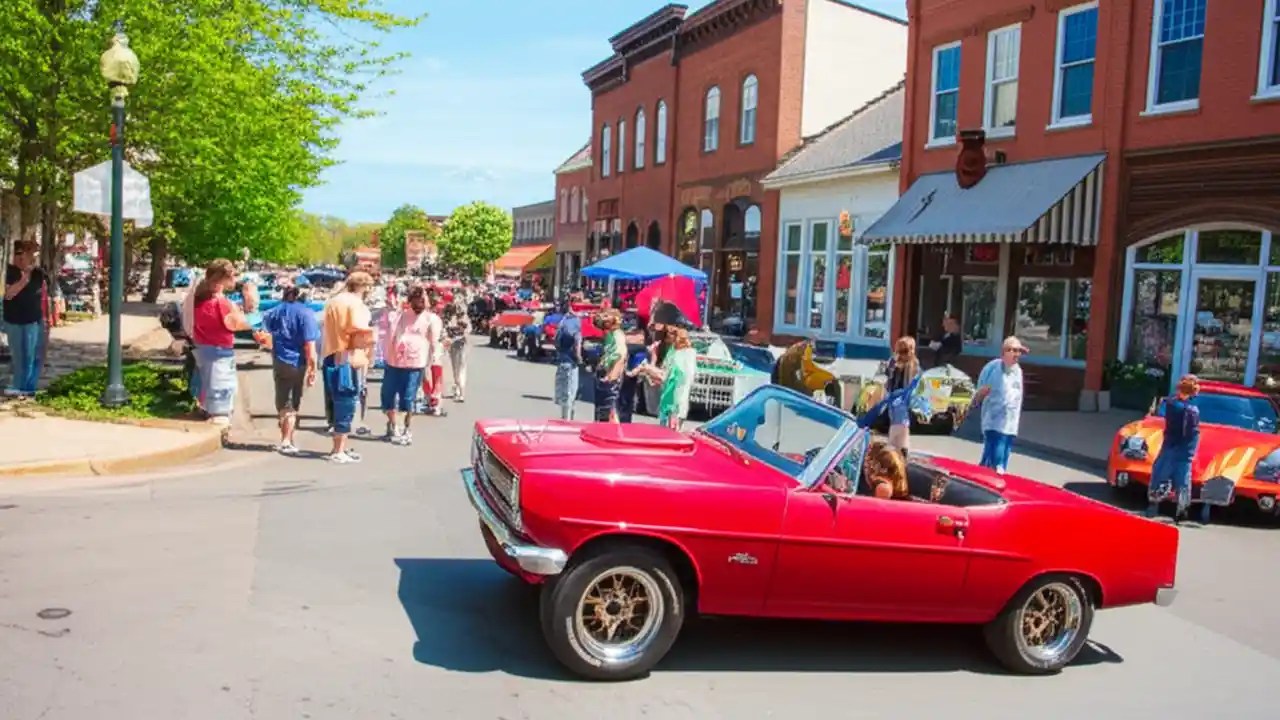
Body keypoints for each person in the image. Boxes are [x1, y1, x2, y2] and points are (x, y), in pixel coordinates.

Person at [320, 271, 376, 463]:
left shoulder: (333, 302)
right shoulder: (355, 304)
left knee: (336, 402)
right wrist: (371, 339)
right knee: (347, 401)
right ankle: (338, 450)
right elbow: (358, 329)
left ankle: (340, 447)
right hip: (347, 355)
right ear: (363, 286)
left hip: (330, 354)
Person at [190, 259, 251, 425]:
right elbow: (239, 324)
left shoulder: (200, 299)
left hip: (202, 348)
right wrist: (247, 304)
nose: (235, 278)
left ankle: (206, 409)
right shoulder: (220, 303)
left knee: (206, 386)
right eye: (233, 275)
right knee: (222, 392)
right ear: (224, 278)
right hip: (219, 352)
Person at [259, 285, 320, 454]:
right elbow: (310, 345)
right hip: (298, 361)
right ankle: (287, 439)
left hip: (280, 359)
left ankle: (286, 433)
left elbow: (261, 332)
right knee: (293, 401)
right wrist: (312, 368)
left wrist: (270, 345)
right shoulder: (306, 314)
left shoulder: (274, 312)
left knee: (283, 398)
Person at [1147, 374, 1206, 524]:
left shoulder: (1171, 404)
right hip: (1185, 447)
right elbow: (1191, 432)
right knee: (1183, 477)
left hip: (1171, 444)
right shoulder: (1192, 410)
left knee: (1161, 470)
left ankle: (1155, 500)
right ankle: (1181, 508)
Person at [381, 286, 430, 445]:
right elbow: (385, 332)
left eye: (422, 300)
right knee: (388, 396)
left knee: (408, 398)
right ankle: (393, 424)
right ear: (410, 301)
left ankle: (406, 429)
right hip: (393, 362)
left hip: (415, 365)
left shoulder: (430, 319)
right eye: (417, 300)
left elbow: (434, 342)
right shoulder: (397, 316)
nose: (420, 304)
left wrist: (429, 366)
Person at [973, 336, 1028, 474]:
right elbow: (981, 391)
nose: (1017, 355)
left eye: (1019, 351)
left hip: (1010, 420)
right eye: (1014, 351)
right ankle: (987, 475)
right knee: (995, 457)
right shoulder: (993, 369)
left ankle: (989, 474)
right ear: (1004, 352)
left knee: (1003, 454)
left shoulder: (1017, 371)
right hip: (993, 420)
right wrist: (976, 400)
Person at [3, 240, 49, 398]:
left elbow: (42, 296)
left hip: (33, 320)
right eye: (21, 255)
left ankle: (29, 387)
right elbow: (9, 294)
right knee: (19, 356)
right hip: (14, 320)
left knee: (33, 355)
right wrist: (24, 278)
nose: (24, 258)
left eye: (29, 255)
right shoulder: (9, 272)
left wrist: (47, 320)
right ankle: (18, 384)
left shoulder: (38, 273)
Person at [635, 326, 697, 430]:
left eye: (670, 334)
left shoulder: (679, 355)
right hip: (676, 400)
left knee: (671, 429)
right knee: (673, 428)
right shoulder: (680, 353)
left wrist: (647, 368)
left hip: (674, 401)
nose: (667, 337)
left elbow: (667, 376)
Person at [885, 336, 921, 454]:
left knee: (898, 428)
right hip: (898, 400)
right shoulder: (907, 364)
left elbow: (889, 383)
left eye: (902, 351)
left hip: (897, 400)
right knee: (900, 428)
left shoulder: (908, 365)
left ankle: (895, 452)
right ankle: (898, 453)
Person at [593, 309, 627, 423]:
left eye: (607, 316)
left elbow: (621, 356)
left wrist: (611, 376)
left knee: (610, 410)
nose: (604, 318)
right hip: (604, 373)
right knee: (602, 410)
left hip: (611, 376)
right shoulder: (610, 334)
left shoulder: (618, 335)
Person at [553, 301, 583, 420]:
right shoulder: (576, 325)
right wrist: (579, 358)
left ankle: (564, 417)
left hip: (562, 361)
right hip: (571, 363)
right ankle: (568, 420)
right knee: (571, 392)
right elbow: (577, 345)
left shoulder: (563, 322)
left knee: (564, 392)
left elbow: (556, 341)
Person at [420, 290, 447, 417]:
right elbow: (435, 339)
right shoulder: (434, 318)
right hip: (432, 353)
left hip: (422, 353)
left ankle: (430, 401)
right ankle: (435, 404)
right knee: (435, 380)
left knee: (426, 379)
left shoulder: (422, 317)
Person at [444, 299, 472, 402]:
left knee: (461, 369)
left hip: (462, 347)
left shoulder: (466, 320)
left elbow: (467, 333)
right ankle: (457, 387)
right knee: (455, 369)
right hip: (453, 347)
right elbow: (447, 331)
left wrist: (454, 338)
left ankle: (461, 391)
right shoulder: (452, 319)